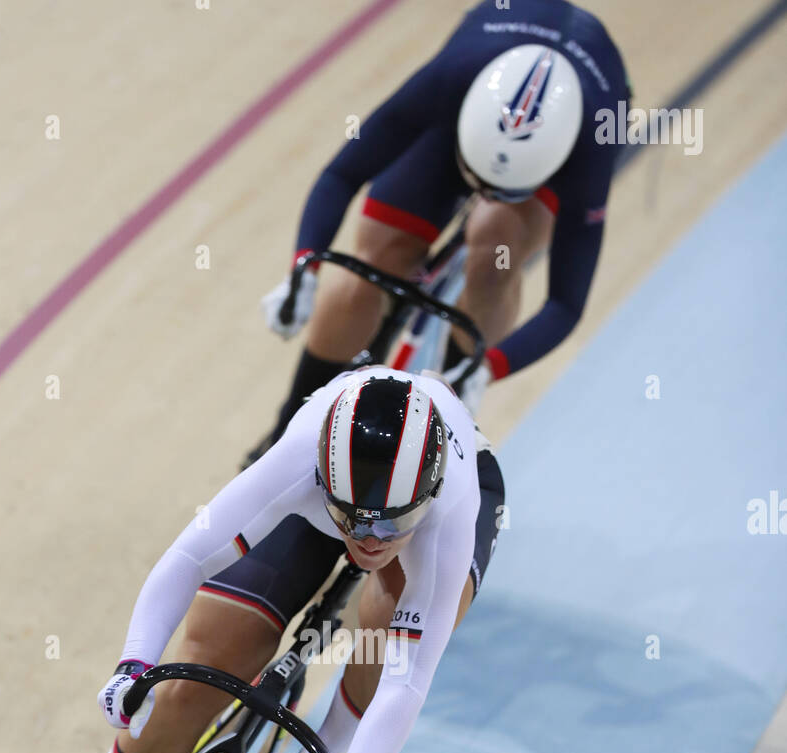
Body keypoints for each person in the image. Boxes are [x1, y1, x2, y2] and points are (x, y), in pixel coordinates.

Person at [15, 367, 505, 753]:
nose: (371, 540)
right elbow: (188, 557)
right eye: (355, 522)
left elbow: (408, 679)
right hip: (320, 502)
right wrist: (135, 663)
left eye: (392, 523)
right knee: (206, 659)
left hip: (432, 508)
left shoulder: (450, 504)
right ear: (323, 477)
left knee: (387, 625)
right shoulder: (301, 455)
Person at [245, 0, 629, 464]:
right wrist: (303, 267)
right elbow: (342, 174)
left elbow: (567, 303)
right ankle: (290, 434)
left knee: (498, 247)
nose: (485, 192)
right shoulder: (450, 78)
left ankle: (444, 418)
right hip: (468, 110)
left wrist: (488, 365)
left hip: (558, 138)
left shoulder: (588, 148)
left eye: (500, 189)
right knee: (374, 261)